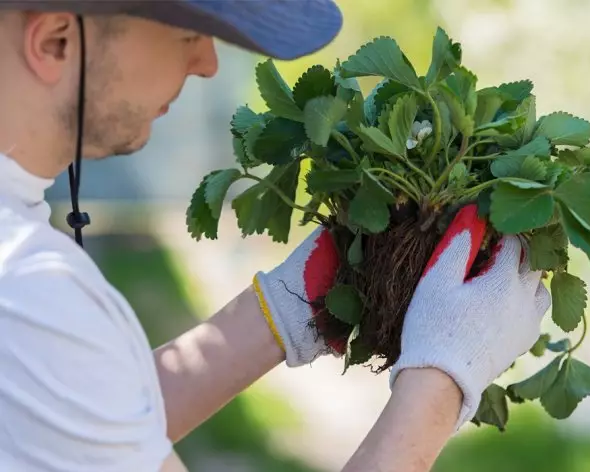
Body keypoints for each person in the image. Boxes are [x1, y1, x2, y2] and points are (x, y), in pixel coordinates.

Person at [0, 1, 551, 471]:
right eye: (188, 34)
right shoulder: (29, 293)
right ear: (55, 41)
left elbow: (81, 418)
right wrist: (438, 383)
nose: (207, 62)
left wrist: (281, 314)